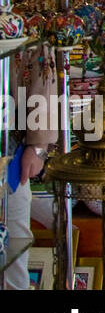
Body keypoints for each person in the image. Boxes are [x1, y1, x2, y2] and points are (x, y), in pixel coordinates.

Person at [3, 47, 57, 290]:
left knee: (13, 243)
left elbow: (41, 67)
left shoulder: (19, 20)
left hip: (8, 154)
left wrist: (38, 145)